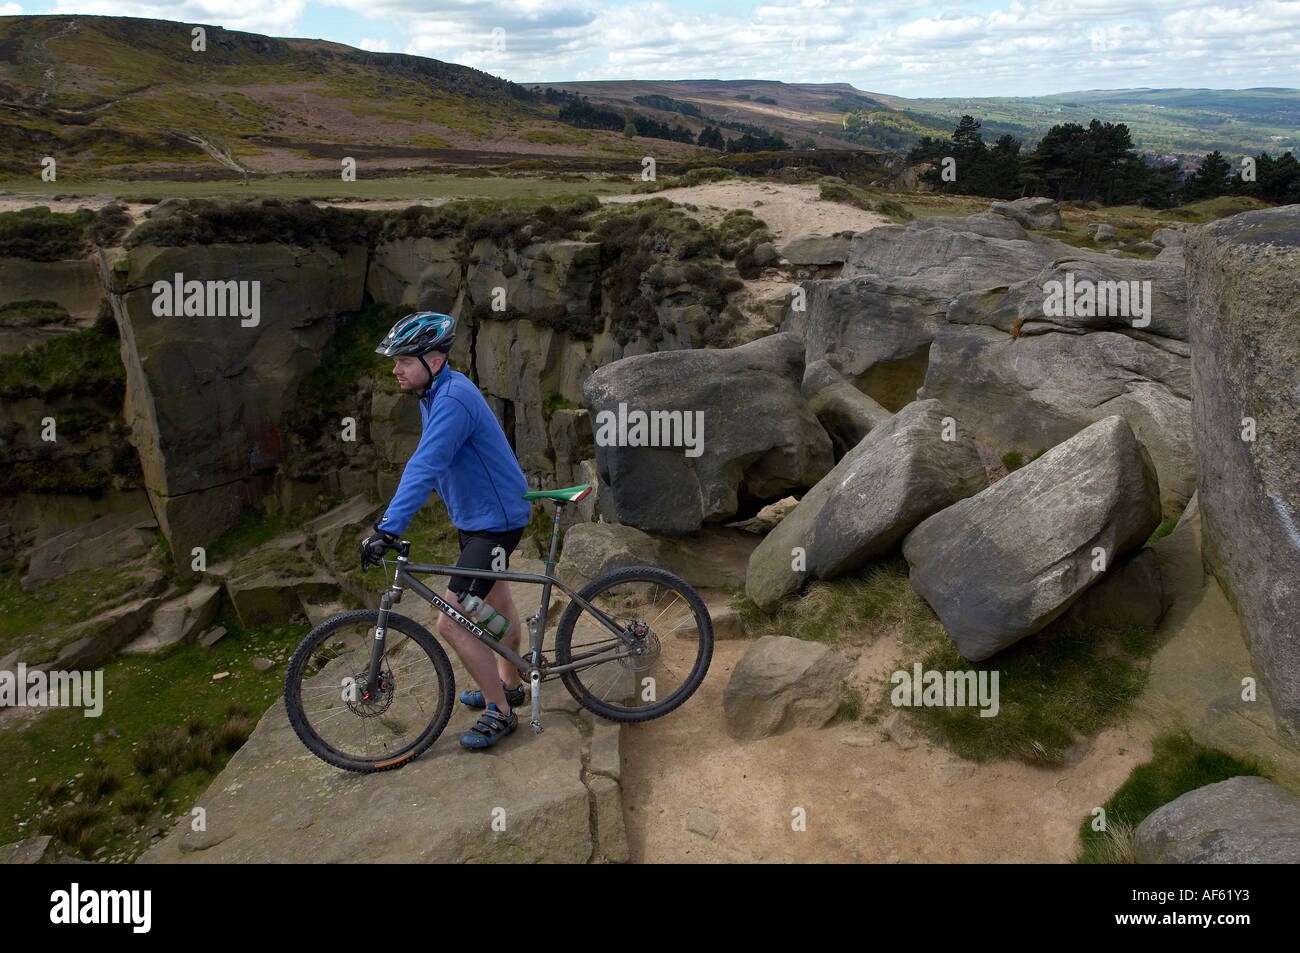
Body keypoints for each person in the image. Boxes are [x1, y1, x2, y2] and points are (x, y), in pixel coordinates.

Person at [360, 312, 532, 749]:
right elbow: (432, 462)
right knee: (497, 601)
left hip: (493, 524)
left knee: (451, 622)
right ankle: (509, 684)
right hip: (481, 519)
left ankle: (501, 711)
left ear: (433, 361)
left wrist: (388, 529)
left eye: (402, 360)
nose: (395, 369)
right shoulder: (434, 393)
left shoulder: (451, 399)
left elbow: (425, 464)